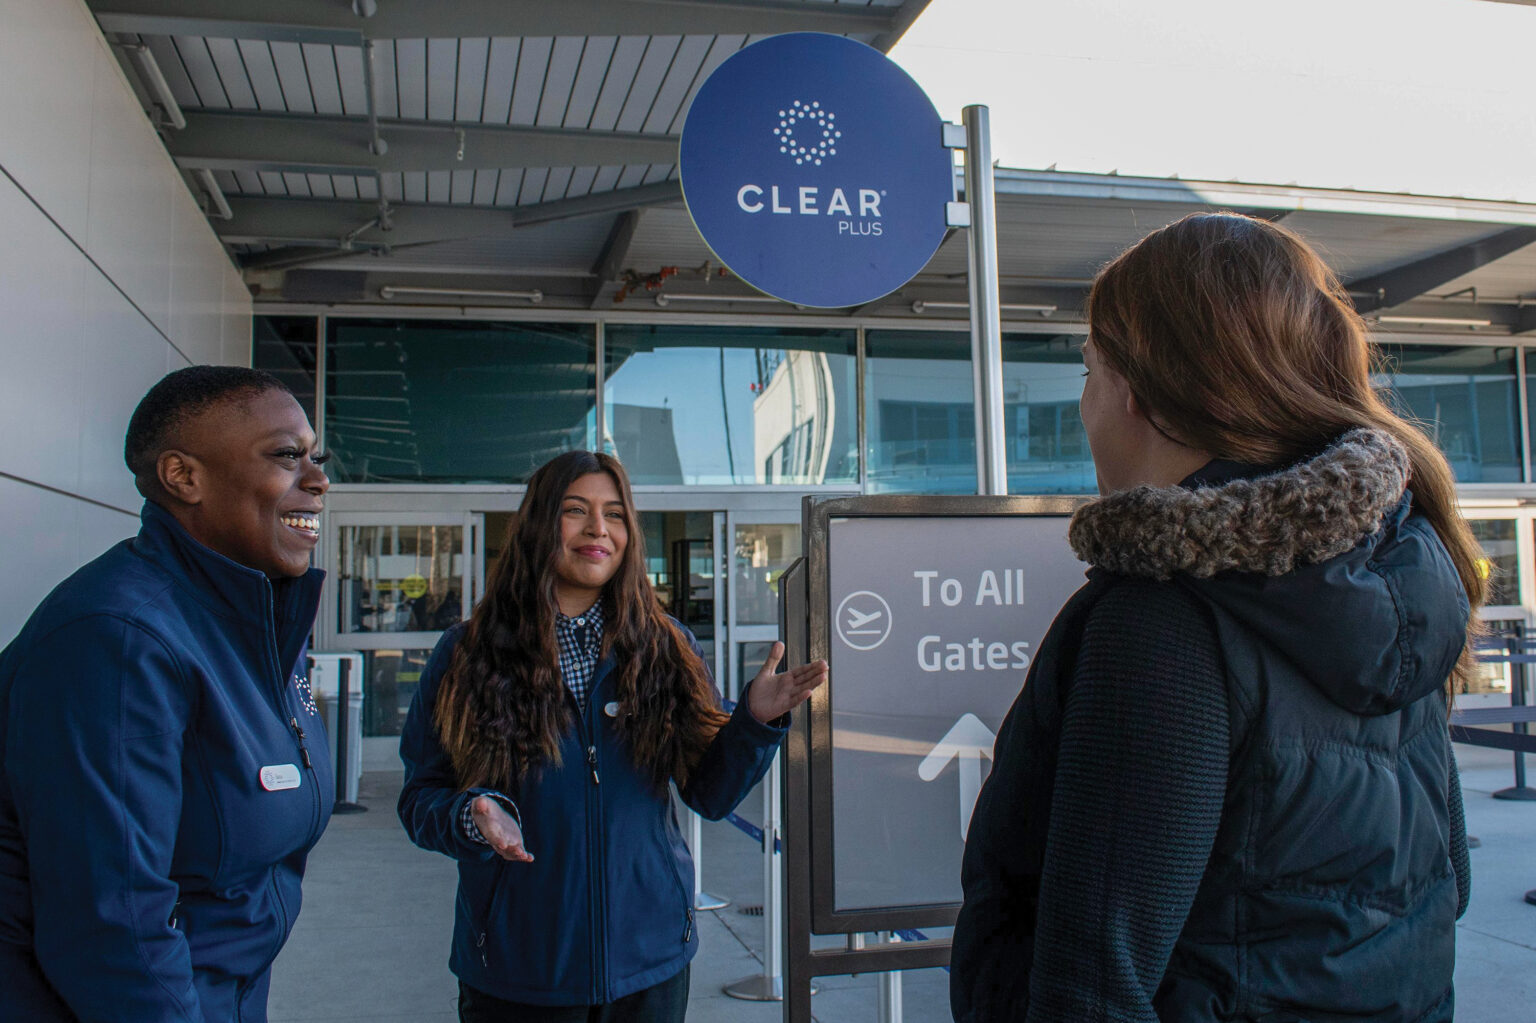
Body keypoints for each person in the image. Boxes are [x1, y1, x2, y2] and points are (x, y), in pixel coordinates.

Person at [951, 212, 1476, 1023]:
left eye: (1088, 371)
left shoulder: (1161, 620)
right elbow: (1449, 884)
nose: (1085, 404)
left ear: (1138, 392)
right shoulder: (1398, 570)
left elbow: (1090, 993)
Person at [398, 450, 826, 1023]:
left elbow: (710, 795)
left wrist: (752, 721)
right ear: (538, 523)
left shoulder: (665, 646)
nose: (598, 528)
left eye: (615, 513)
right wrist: (470, 816)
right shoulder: (467, 654)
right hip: (519, 972)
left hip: (650, 966)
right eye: (575, 510)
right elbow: (420, 796)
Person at [0, 366, 333, 1022]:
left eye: (316, 458)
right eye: (286, 455)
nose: (319, 480)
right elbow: (114, 925)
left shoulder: (251, 622)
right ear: (183, 476)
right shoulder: (119, 638)